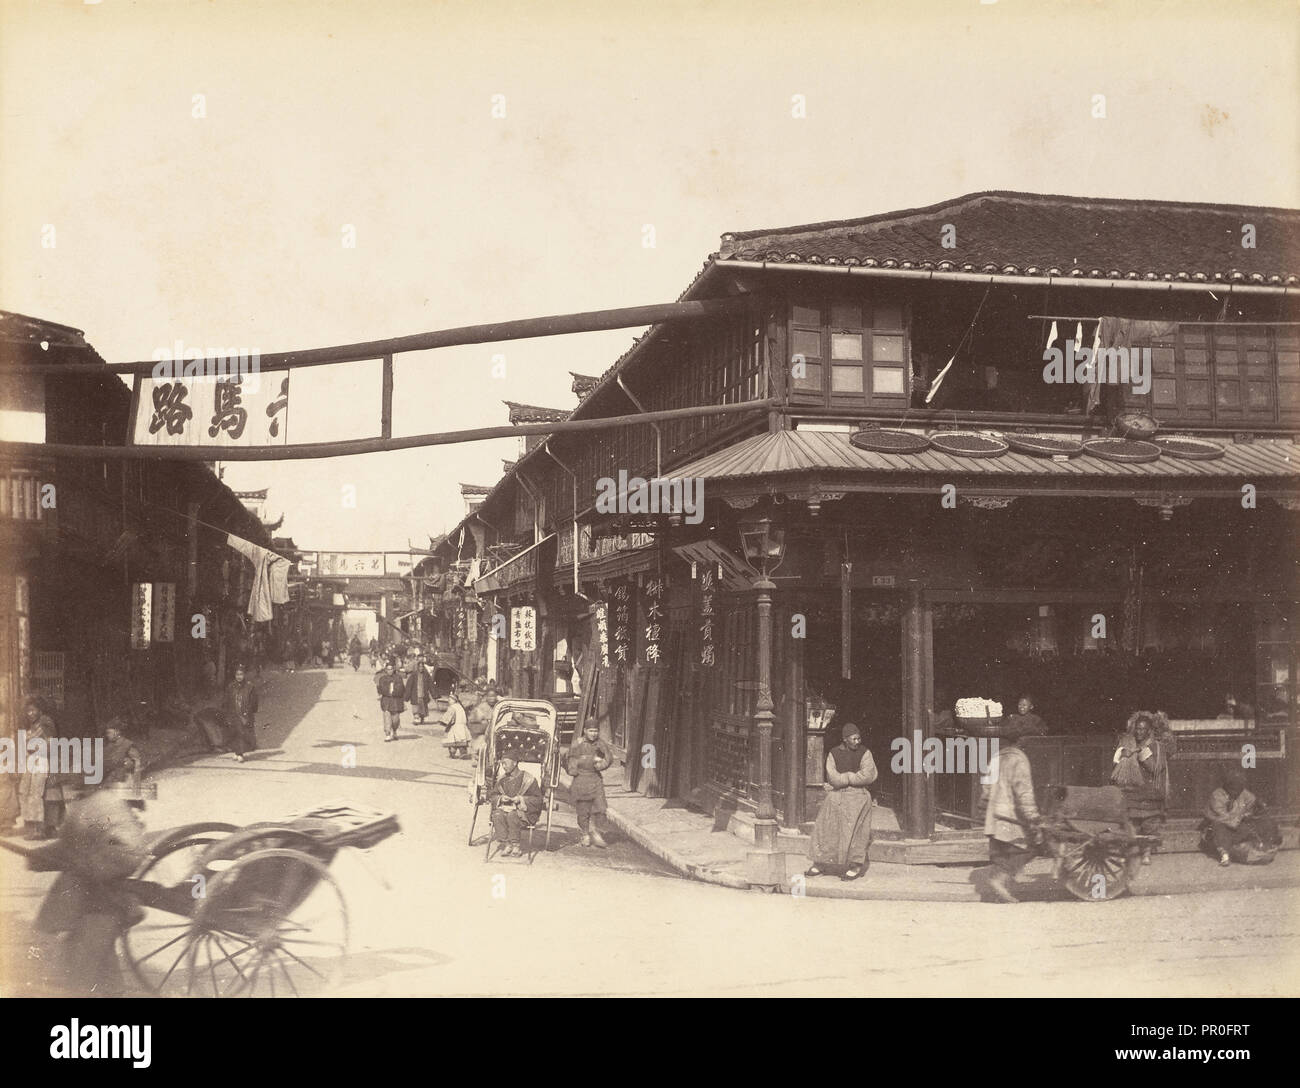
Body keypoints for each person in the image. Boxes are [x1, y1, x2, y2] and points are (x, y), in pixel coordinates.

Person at [805, 723, 877, 881]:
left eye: (859, 738)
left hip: (858, 796)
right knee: (825, 829)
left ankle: (855, 865)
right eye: (854, 739)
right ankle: (820, 863)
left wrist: (846, 777)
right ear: (845, 739)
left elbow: (867, 775)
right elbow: (833, 778)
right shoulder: (833, 753)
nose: (857, 741)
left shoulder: (865, 753)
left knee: (857, 833)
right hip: (837, 795)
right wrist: (851, 777)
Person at [982, 720, 1042, 902]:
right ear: (1021, 740)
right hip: (1009, 814)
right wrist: (1033, 818)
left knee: (1001, 851)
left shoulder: (996, 757)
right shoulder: (1019, 759)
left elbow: (985, 787)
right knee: (1031, 847)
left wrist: (986, 806)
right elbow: (1024, 792)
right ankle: (999, 881)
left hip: (995, 813)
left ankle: (1001, 882)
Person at [1110, 710, 1170, 864]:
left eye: (1143, 729)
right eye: (1137, 728)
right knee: (1131, 823)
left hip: (1150, 791)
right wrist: (1125, 755)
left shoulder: (1156, 746)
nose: (1139, 732)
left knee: (1149, 824)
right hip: (1131, 790)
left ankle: (1146, 852)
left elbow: (1157, 769)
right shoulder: (1128, 743)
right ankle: (1130, 851)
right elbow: (1117, 763)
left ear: (1149, 730)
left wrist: (1142, 754)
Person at [1201, 766, 1281, 866]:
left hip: (1240, 828)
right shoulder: (1217, 795)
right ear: (1227, 785)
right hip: (1221, 830)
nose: (1236, 790)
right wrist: (1240, 817)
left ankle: (1265, 847)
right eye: (1233, 786)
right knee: (1218, 826)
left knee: (1266, 822)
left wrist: (1255, 811)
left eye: (1239, 786)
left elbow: (1252, 807)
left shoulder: (1245, 794)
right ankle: (1225, 855)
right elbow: (1222, 816)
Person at [17, 696, 58, 840]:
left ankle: (38, 830)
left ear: (40, 710)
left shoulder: (45, 722)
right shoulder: (32, 726)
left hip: (41, 760)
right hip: (31, 761)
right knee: (25, 792)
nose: (30, 714)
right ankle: (31, 826)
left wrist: (36, 747)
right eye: (28, 711)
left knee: (36, 794)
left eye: (33, 710)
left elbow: (51, 744)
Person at [488, 754, 543, 857]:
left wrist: (521, 799)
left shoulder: (529, 780)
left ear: (515, 763)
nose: (503, 766)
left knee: (512, 815)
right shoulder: (502, 779)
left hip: (525, 813)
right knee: (497, 815)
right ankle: (507, 844)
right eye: (502, 764)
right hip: (505, 809)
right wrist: (500, 798)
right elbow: (493, 795)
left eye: (506, 763)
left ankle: (516, 846)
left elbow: (538, 799)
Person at [566, 723, 611, 848]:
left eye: (596, 731)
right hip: (581, 780)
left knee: (601, 809)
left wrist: (599, 765)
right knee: (583, 810)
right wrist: (576, 768)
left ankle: (597, 832)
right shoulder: (578, 743)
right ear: (585, 730)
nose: (593, 733)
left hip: (595, 779)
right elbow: (570, 759)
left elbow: (609, 758)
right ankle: (585, 834)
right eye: (591, 730)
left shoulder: (600, 743)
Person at [223, 664, 259, 762]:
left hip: (245, 714)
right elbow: (227, 700)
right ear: (235, 675)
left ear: (244, 675)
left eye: (241, 674)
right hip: (234, 713)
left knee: (242, 733)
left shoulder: (249, 687)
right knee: (234, 733)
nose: (239, 676)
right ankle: (237, 752)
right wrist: (227, 712)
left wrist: (249, 712)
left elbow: (254, 701)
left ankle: (240, 753)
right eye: (237, 674)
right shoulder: (231, 686)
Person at [101, 723, 142, 791]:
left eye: (109, 733)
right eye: (107, 733)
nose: (107, 735)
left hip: (123, 783)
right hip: (109, 781)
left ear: (117, 732)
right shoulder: (109, 746)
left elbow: (137, 764)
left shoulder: (127, 744)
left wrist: (129, 764)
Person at [376, 659, 405, 742]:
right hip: (386, 701)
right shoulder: (382, 678)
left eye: (391, 669)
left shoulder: (398, 678)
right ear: (386, 670)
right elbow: (381, 688)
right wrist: (388, 692)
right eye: (388, 669)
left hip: (396, 701)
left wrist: (394, 692)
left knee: (395, 720)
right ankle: (387, 734)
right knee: (387, 717)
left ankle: (394, 730)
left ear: (394, 669)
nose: (390, 671)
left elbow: (401, 688)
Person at [467, 687, 498, 761]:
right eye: (490, 696)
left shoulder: (498, 706)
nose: (492, 698)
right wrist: (484, 721)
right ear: (486, 697)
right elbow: (472, 720)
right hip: (483, 733)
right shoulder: (481, 707)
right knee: (480, 744)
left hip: (495, 732)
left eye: (494, 696)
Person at [438, 692, 471, 758]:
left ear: (454, 700)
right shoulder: (460, 707)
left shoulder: (452, 708)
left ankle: (452, 753)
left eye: (450, 700)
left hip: (454, 726)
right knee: (462, 739)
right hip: (462, 726)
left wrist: (443, 722)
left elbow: (449, 717)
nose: (449, 701)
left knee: (452, 740)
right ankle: (463, 753)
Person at [404, 653, 433, 723]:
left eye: (422, 667)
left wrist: (434, 693)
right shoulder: (414, 675)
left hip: (423, 693)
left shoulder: (426, 675)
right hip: (415, 693)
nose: (421, 668)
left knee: (423, 707)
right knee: (415, 707)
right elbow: (409, 685)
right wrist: (407, 695)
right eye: (419, 667)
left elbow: (430, 684)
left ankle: (422, 718)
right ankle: (416, 718)